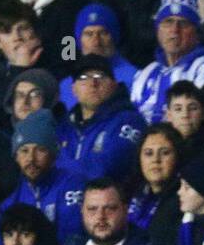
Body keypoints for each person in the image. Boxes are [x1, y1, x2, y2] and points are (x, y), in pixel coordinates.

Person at [0, 109, 86, 245]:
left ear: (53, 155)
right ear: (16, 157)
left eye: (40, 150)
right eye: (24, 151)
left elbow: (74, 243)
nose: (31, 159)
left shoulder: (73, 186)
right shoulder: (10, 201)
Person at [57, 54, 145, 184]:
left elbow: (104, 169)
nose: (93, 83)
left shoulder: (130, 120)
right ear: (74, 89)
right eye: (83, 78)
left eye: (100, 76)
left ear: (114, 85)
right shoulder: (64, 125)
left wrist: (58, 167)